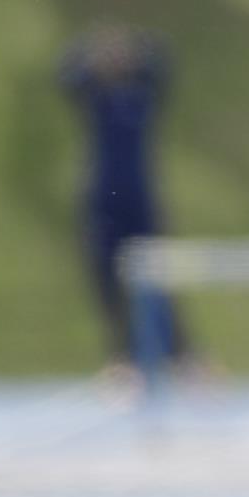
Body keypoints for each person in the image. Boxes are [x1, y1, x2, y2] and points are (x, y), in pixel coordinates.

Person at [59, 23, 189, 383]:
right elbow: (65, 75)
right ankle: (121, 356)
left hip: (141, 198)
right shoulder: (96, 97)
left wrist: (139, 47)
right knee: (107, 280)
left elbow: (164, 66)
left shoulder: (142, 94)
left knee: (157, 279)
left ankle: (177, 353)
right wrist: (90, 49)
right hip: (103, 198)